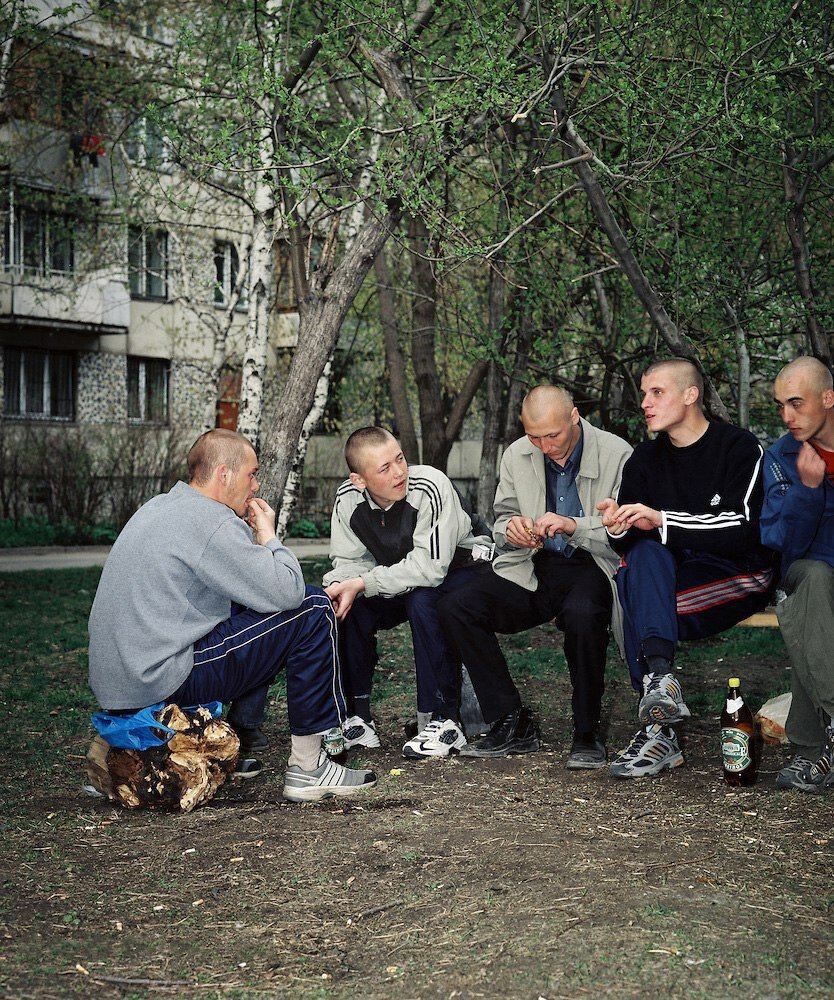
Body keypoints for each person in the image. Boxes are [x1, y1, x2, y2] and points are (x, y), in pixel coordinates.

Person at [88, 428, 376, 803]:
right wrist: (269, 537)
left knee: (255, 607)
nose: (255, 485)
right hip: (158, 681)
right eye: (251, 474)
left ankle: (214, 741)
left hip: (120, 685)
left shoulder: (158, 506)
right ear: (223, 474)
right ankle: (310, 768)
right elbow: (287, 591)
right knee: (314, 608)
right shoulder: (212, 522)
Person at [437, 385, 633, 767]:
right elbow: (503, 518)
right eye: (534, 437)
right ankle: (511, 720)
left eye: (553, 435)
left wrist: (573, 525)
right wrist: (511, 530)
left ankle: (587, 731)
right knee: (456, 605)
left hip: (591, 564)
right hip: (531, 564)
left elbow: (624, 536)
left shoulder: (618, 454)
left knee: (583, 614)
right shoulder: (515, 454)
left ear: (574, 416)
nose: (544, 446)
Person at [600, 358, 773, 778]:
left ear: (691, 395)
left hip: (739, 571)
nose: (645, 403)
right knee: (638, 561)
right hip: (677, 572)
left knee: (642, 606)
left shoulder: (739, 447)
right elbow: (633, 541)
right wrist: (617, 526)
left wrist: (661, 520)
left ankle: (659, 730)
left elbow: (742, 529)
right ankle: (662, 684)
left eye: (657, 393)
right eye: (644, 393)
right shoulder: (643, 458)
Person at [323, 426, 487, 759]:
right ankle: (357, 718)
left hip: (465, 569)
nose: (400, 472)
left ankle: (444, 719)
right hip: (398, 576)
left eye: (400, 458)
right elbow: (349, 562)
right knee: (349, 604)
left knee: (424, 600)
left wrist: (365, 582)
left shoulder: (429, 485)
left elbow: (431, 568)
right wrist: (339, 587)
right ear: (360, 480)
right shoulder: (348, 498)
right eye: (384, 468)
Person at [761, 356, 834, 793]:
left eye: (796, 403)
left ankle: (816, 750)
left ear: (828, 398)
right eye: (780, 406)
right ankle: (814, 746)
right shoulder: (782, 457)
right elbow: (784, 545)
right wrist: (809, 492)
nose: (787, 417)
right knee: (814, 582)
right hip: (811, 572)